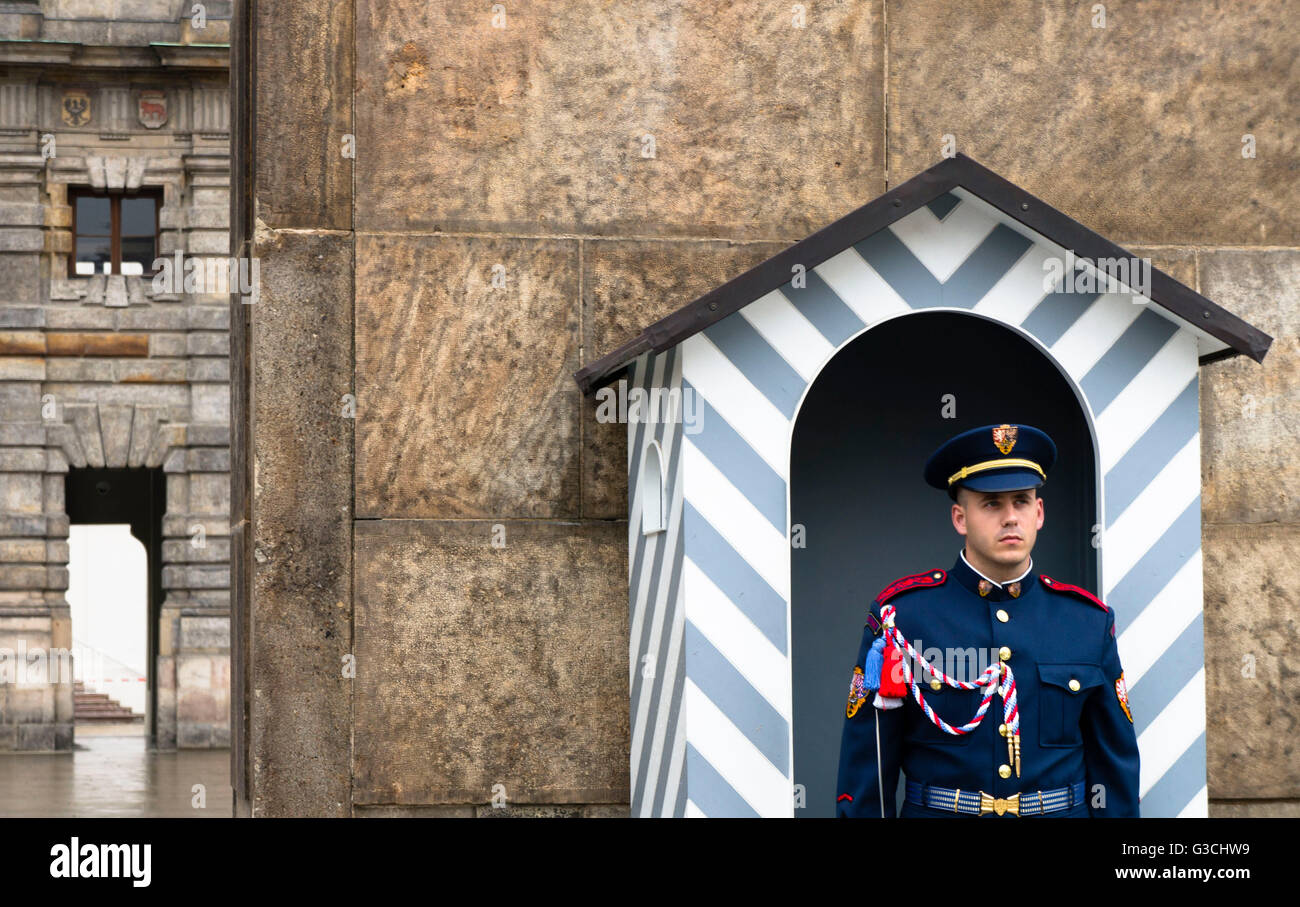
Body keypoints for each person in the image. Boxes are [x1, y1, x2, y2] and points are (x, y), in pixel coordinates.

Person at [835, 423, 1140, 817]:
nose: (1011, 517)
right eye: (992, 503)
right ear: (961, 518)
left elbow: (1115, 770)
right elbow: (868, 770)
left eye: (1021, 501)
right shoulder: (903, 619)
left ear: (1039, 512)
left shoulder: (1087, 623)